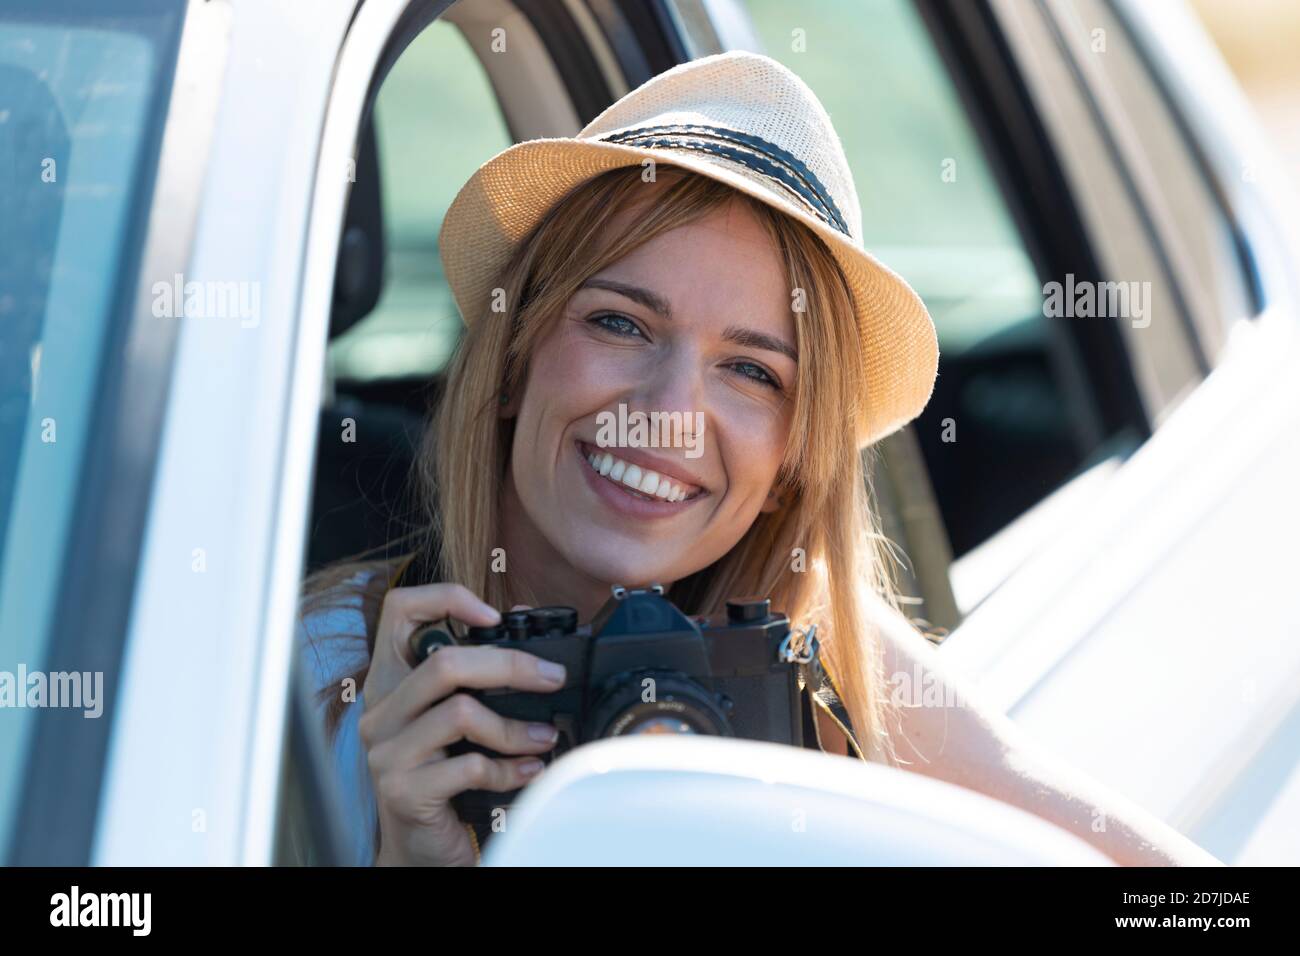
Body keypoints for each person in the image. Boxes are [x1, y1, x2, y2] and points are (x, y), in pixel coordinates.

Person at [299, 51, 1220, 867]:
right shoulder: (315, 679)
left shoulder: (817, 667)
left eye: (751, 371)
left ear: (792, 459)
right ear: (512, 356)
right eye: (621, 323)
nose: (668, 415)